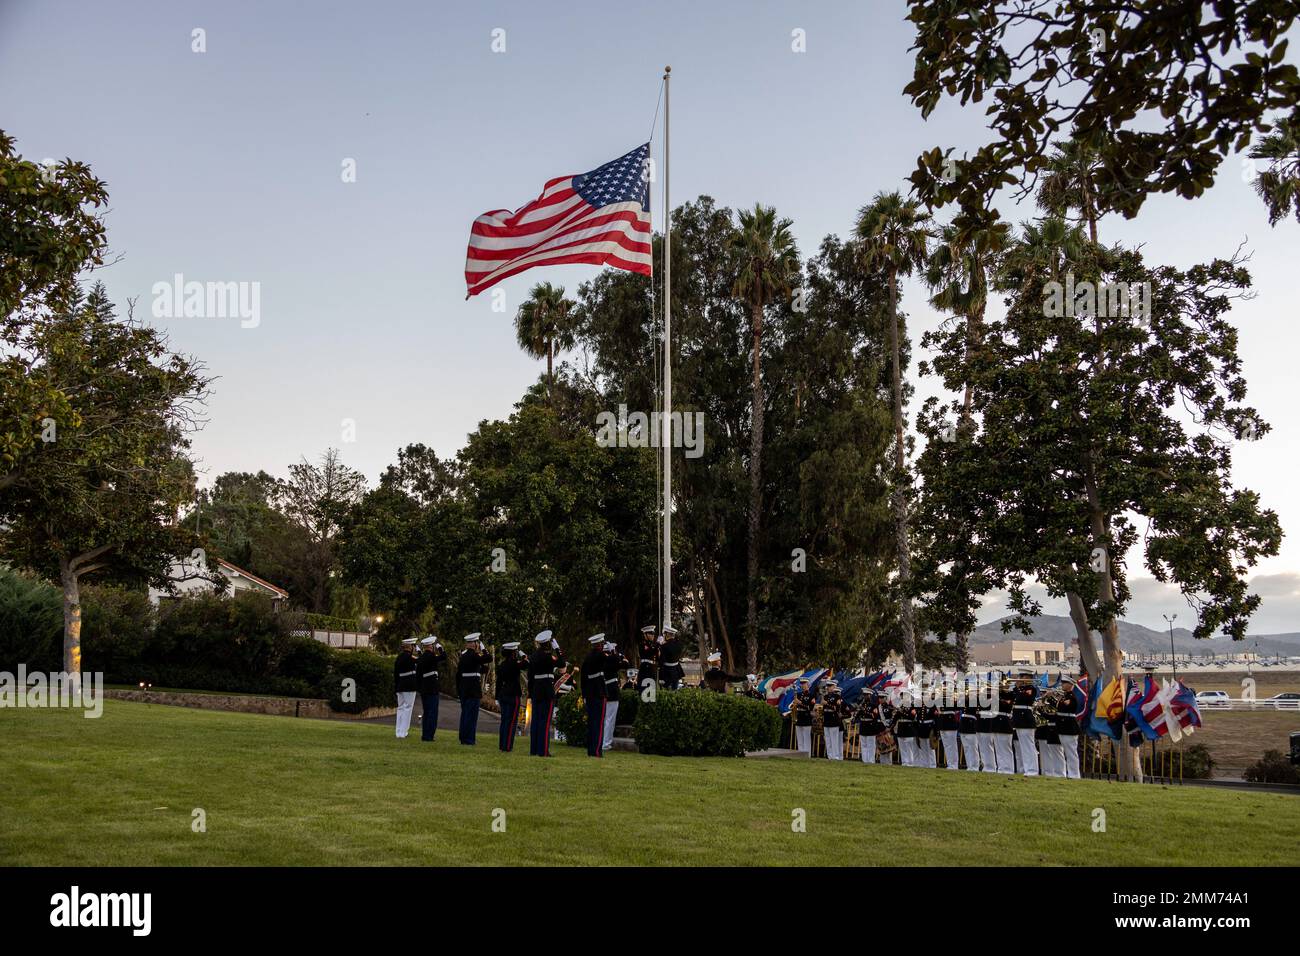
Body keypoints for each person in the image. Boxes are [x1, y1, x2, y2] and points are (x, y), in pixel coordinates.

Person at [528, 629, 565, 757]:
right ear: (548, 643)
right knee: (545, 721)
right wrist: (558, 649)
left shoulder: (533, 657)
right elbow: (562, 664)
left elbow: (530, 677)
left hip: (536, 691)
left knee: (536, 721)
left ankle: (534, 750)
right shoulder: (549, 656)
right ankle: (543, 750)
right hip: (547, 691)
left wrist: (530, 693)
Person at [457, 633, 489, 746]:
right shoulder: (474, 655)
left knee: (465, 714)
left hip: (464, 689)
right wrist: (484, 650)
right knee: (471, 716)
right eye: (477, 643)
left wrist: (459, 691)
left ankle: (463, 737)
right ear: (474, 644)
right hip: (473, 690)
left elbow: (458, 675)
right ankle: (469, 739)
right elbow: (488, 658)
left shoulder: (464, 656)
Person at [496, 641, 526, 752]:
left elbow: (498, 682)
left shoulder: (501, 665)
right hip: (513, 695)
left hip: (502, 694)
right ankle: (507, 746)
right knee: (512, 721)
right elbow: (527, 663)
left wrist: (496, 697)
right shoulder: (515, 663)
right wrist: (523, 655)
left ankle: (501, 745)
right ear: (513, 653)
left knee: (504, 721)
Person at [580, 634, 608, 758]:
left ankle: (591, 750)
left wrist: (584, 694)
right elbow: (613, 661)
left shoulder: (587, 657)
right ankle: (597, 751)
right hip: (599, 692)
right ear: (600, 644)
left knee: (592, 723)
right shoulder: (601, 655)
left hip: (590, 693)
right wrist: (612, 650)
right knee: (599, 723)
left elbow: (583, 678)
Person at [416, 635, 447, 742]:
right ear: (432, 646)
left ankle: (425, 735)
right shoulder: (431, 656)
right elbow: (444, 656)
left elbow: (418, 675)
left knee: (426, 712)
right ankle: (429, 736)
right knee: (432, 713)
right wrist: (440, 648)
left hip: (424, 688)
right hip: (432, 688)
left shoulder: (421, 658)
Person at [1012, 671, 1040, 776]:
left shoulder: (1030, 689)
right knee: (1024, 747)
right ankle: (1027, 769)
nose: (1021, 679)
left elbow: (1021, 698)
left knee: (1029, 746)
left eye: (1023, 677)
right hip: (1019, 720)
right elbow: (1013, 697)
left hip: (1026, 720)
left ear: (1029, 678)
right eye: (1021, 677)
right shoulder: (1021, 689)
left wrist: (1017, 688)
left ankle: (1032, 770)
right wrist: (1016, 688)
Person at [601, 641, 626, 751]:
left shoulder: (602, 660)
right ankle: (606, 743)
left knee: (603, 718)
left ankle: (602, 741)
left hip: (602, 690)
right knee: (610, 719)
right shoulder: (611, 660)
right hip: (612, 690)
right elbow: (626, 664)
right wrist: (617, 655)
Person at [1056, 675, 1083, 779]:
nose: (1062, 685)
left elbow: (1066, 706)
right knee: (1067, 752)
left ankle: (1074, 774)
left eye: (1064, 683)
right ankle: (1069, 773)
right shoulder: (1064, 696)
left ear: (1070, 685)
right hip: (1063, 727)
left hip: (1069, 727)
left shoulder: (1071, 697)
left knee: (1071, 753)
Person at [394, 638, 419, 739]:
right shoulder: (410, 657)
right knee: (408, 709)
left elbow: (396, 674)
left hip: (400, 686)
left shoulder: (399, 657)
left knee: (400, 708)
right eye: (414, 646)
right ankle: (403, 732)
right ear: (411, 647)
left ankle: (398, 731)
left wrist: (396, 687)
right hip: (409, 687)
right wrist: (420, 652)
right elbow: (421, 660)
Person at [993, 677, 1017, 774]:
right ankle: (1001, 768)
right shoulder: (997, 694)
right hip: (996, 722)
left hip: (1005, 722)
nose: (1001, 685)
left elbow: (1005, 705)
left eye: (1003, 683)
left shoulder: (1010, 695)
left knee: (1006, 748)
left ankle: (1009, 769)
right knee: (998, 748)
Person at [855, 691, 885, 764]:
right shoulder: (862, 705)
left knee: (870, 745)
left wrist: (864, 711)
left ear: (870, 695)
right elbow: (857, 716)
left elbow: (875, 716)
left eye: (866, 695)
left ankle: (871, 761)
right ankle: (865, 760)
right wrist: (858, 712)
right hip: (863, 726)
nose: (865, 696)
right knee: (864, 745)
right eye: (864, 695)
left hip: (870, 726)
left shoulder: (874, 705)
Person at [821, 681, 849, 760]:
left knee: (834, 740)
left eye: (831, 686)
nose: (829, 688)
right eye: (828, 686)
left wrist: (826, 703)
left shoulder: (837, 697)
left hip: (833, 720)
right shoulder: (825, 696)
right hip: (826, 719)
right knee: (828, 740)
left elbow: (836, 708)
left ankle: (836, 757)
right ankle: (830, 756)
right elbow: (824, 709)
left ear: (834, 687)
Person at [791, 678, 815, 754]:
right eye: (802, 684)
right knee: (800, 738)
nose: (803, 685)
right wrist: (795, 704)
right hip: (799, 716)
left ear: (808, 685)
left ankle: (807, 754)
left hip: (806, 717)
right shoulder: (798, 694)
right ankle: (800, 753)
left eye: (804, 684)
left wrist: (800, 703)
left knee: (806, 738)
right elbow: (795, 705)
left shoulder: (811, 695)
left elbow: (810, 707)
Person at [938, 698, 962, 770]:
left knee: (952, 746)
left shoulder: (952, 699)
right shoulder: (940, 699)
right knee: (946, 746)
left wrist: (953, 699)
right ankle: (949, 764)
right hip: (942, 723)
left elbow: (958, 707)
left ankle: (954, 765)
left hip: (950, 723)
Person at [894, 695, 916, 766]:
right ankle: (904, 762)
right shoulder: (900, 706)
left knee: (909, 747)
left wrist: (902, 712)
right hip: (901, 727)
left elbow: (912, 717)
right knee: (902, 746)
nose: (903, 698)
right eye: (902, 697)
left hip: (908, 727)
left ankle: (911, 762)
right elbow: (896, 718)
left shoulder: (912, 706)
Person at [637, 624, 659, 692]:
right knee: (644, 691)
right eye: (650, 634)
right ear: (645, 634)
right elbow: (650, 651)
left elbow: (657, 656)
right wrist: (658, 645)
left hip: (652, 668)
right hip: (645, 668)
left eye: (653, 634)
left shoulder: (653, 645)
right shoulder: (643, 644)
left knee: (651, 691)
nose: (653, 636)